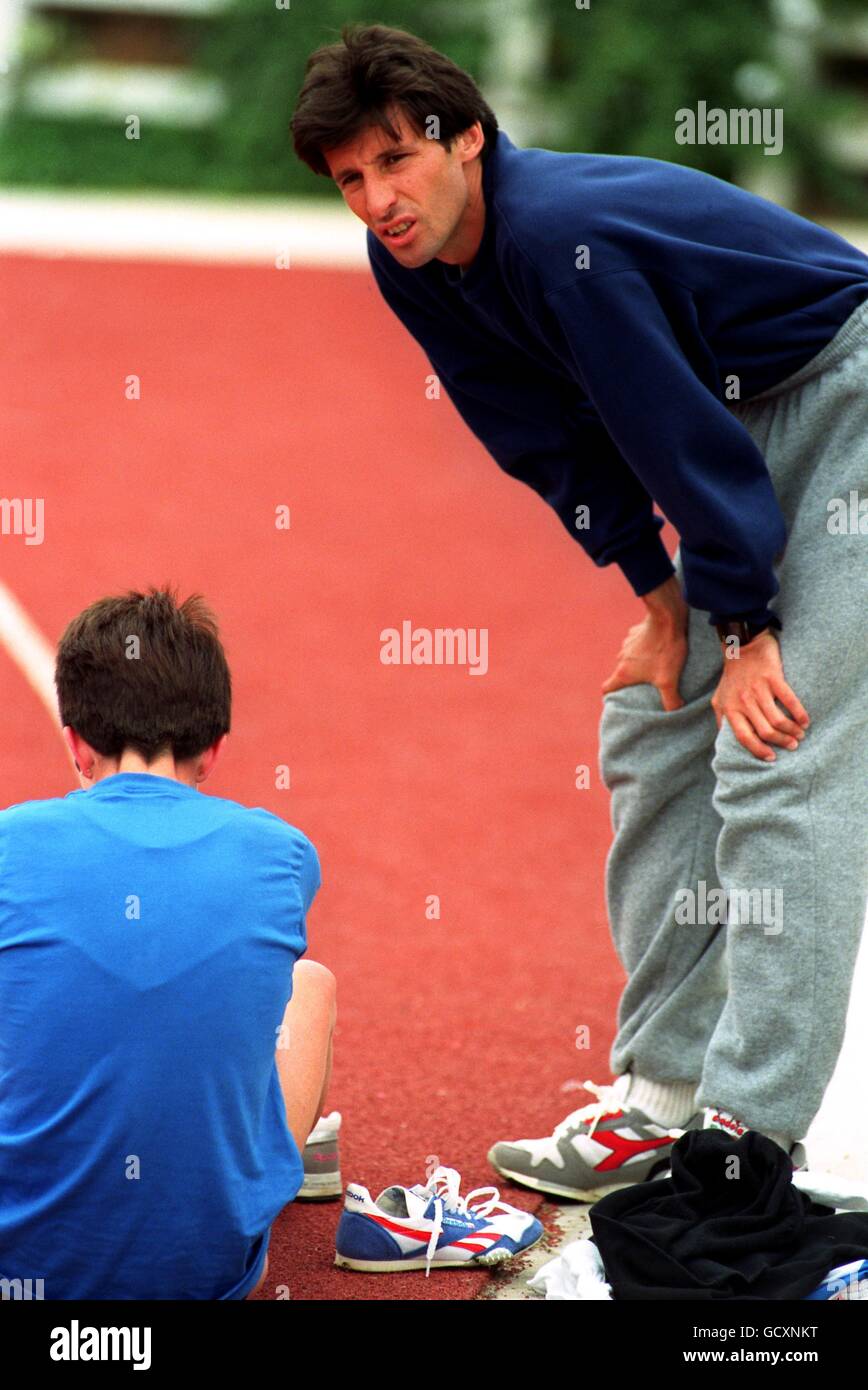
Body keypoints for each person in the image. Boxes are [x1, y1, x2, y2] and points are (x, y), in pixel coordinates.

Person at [290, 23, 868, 1197]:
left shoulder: (559, 237)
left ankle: (749, 1139)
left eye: (397, 160)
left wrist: (746, 635)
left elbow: (671, 435)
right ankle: (656, 1101)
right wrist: (662, 605)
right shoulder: (411, 263)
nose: (378, 199)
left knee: (779, 747)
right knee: (652, 722)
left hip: (850, 399)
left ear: (469, 139)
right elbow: (547, 436)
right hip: (742, 426)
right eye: (352, 178)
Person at [0, 587, 335, 1298]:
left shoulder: (9, 843)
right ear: (213, 752)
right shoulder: (282, 854)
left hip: (18, 1274)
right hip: (210, 1276)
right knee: (311, 984)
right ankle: (276, 1148)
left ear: (74, 744)